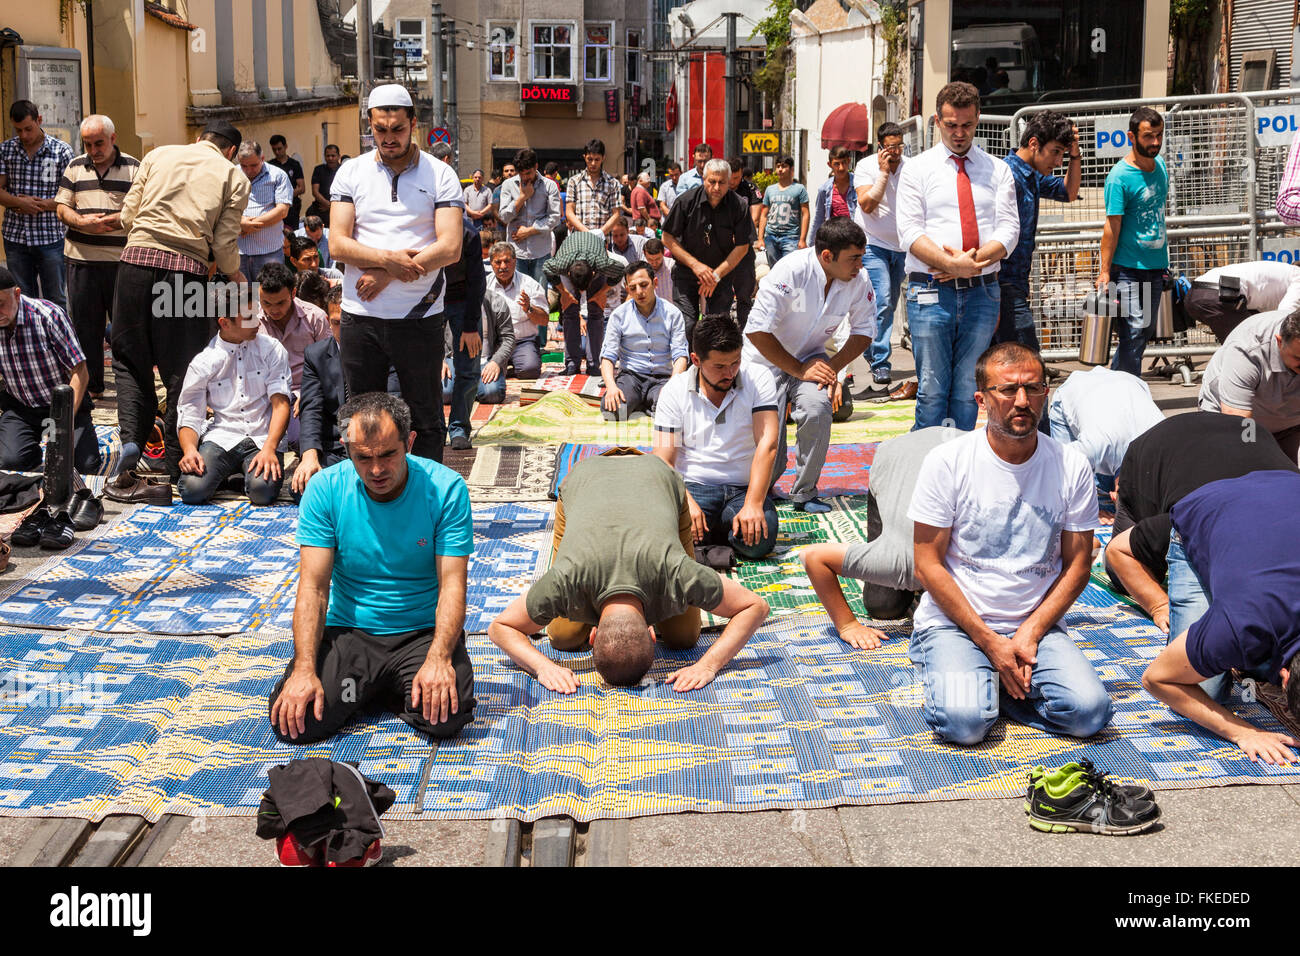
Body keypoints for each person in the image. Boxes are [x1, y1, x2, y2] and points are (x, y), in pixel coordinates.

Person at [908, 342, 1112, 746]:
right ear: (982, 400)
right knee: (964, 725)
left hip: (1033, 625)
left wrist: (1031, 633)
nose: (1022, 401)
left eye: (1033, 388)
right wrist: (988, 641)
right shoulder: (948, 462)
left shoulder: (1071, 465)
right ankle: (979, 678)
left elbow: (1077, 566)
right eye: (1008, 390)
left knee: (1090, 715)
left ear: (1045, 394)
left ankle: (995, 687)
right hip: (958, 623)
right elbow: (926, 565)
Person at [269, 392, 476, 743]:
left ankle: (369, 689)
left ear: (409, 442)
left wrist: (440, 657)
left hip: (420, 632)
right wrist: (304, 668)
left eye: (388, 455)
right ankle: (379, 687)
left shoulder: (445, 490)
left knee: (445, 717)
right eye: (363, 458)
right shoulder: (325, 490)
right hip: (353, 633)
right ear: (346, 447)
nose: (377, 470)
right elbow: (314, 588)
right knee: (298, 721)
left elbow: (453, 585)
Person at [487, 450, 770, 692]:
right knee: (564, 637)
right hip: (587, 477)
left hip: (657, 476)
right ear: (650, 632)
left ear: (595, 633)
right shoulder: (568, 578)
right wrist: (542, 667)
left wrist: (709, 666)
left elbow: (755, 607)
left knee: (683, 637)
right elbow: (500, 628)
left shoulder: (674, 570)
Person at [106, 120, 250, 500]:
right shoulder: (233, 176)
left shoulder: (157, 155)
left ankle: (132, 443)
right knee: (181, 370)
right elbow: (223, 243)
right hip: (185, 276)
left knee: (128, 360)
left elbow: (126, 218)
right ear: (231, 151)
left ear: (198, 139)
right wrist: (235, 277)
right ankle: (173, 465)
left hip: (134, 266)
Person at [328, 84, 465, 463]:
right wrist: (390, 259)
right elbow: (338, 245)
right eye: (381, 130)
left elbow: (450, 247)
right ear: (370, 126)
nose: (389, 138)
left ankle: (425, 505)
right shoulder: (350, 173)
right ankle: (369, 504)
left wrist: (386, 272)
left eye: (397, 130)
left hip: (419, 318)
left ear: (413, 125)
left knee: (427, 419)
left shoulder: (441, 175)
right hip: (362, 317)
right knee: (360, 417)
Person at [1142, 470, 1300, 764]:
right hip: (1211, 506)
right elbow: (1156, 679)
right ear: (1285, 677)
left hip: (1287, 483)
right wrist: (1242, 731)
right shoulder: (1242, 626)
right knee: (1205, 691)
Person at [1103, 411, 1297, 644]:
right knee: (1125, 575)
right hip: (1157, 446)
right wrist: (1159, 605)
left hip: (1247, 432)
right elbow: (1118, 551)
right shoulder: (1193, 519)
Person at [896, 81, 1019, 431]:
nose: (959, 133)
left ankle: (962, 466)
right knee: (932, 389)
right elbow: (909, 231)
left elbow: (1009, 230)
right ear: (937, 121)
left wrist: (970, 264)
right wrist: (953, 265)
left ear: (978, 119)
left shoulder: (998, 170)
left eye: (966, 124)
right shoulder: (917, 170)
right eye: (951, 125)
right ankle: (926, 466)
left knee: (969, 388)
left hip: (982, 291)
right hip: (931, 288)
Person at [744, 218, 877, 514]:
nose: (860, 265)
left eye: (862, 256)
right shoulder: (791, 271)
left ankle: (805, 493)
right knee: (770, 438)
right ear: (826, 256)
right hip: (764, 362)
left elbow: (865, 331)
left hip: (813, 361)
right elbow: (756, 330)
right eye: (853, 258)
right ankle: (762, 487)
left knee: (818, 409)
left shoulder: (859, 279)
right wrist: (797, 369)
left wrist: (831, 368)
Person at [803, 427, 957, 647]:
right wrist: (847, 625)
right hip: (897, 454)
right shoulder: (900, 561)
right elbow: (813, 557)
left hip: (959, 450)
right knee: (883, 606)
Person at [652, 314, 780, 560]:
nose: (730, 373)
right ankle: (719, 533)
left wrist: (753, 503)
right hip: (694, 486)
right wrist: (685, 501)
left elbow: (768, 442)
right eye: (720, 366)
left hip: (744, 488)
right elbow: (662, 460)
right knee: (664, 531)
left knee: (759, 541)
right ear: (696, 360)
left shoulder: (758, 377)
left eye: (735, 363)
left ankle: (714, 537)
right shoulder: (674, 390)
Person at [176, 288, 292, 506]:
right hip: (222, 436)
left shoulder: (271, 349)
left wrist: (270, 448)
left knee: (262, 493)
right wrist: (190, 450)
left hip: (263, 437)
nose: (257, 321)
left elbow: (281, 403)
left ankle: (238, 477)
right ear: (225, 322)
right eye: (248, 317)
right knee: (192, 490)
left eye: (256, 313)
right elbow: (190, 411)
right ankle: (230, 475)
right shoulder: (204, 362)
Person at [54, 114, 139, 399]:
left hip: (120, 262)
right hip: (81, 259)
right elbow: (61, 206)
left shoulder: (133, 169)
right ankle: (92, 388)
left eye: (99, 143)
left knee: (124, 327)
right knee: (84, 327)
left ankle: (129, 386)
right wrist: (79, 222)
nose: (93, 150)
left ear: (113, 139)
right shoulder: (75, 166)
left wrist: (114, 221)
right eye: (88, 144)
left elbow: (143, 210)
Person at [0, 265, 102, 475]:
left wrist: (63, 421)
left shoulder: (48, 316)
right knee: (10, 462)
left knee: (84, 467)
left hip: (63, 407)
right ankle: (30, 449)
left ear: (17, 294)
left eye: (0, 304)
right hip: (22, 408)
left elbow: (80, 372)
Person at [998, 111, 1080, 352]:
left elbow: (1069, 192)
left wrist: (1075, 155)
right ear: (1034, 143)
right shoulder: (1007, 175)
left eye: (1062, 155)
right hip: (1001, 284)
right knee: (1028, 360)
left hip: (1014, 285)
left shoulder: (1031, 175)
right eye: (1056, 152)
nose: (1057, 162)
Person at [1097, 106, 1168, 377]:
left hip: (1155, 266)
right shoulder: (1119, 177)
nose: (1155, 142)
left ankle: (1117, 384)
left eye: (1159, 135)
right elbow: (1111, 227)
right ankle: (1126, 390)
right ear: (1131, 136)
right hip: (1126, 268)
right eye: (1149, 136)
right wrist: (1105, 271)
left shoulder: (1160, 166)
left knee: (1143, 331)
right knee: (1135, 329)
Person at [661, 159, 756, 343]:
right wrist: (696, 266)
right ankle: (688, 366)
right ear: (703, 179)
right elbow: (667, 238)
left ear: (729, 182)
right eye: (712, 181)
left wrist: (716, 276)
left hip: (720, 274)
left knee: (717, 327)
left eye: (722, 182)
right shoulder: (686, 201)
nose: (716, 187)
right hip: (687, 271)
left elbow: (743, 246)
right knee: (687, 325)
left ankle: (713, 368)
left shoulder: (739, 206)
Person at [0, 100, 75, 312]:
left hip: (50, 237)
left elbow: (72, 196)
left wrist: (42, 205)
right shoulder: (5, 150)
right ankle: (28, 342)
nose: (23, 135)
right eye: (18, 130)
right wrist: (19, 202)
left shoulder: (61, 151)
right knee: (21, 299)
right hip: (16, 238)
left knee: (56, 299)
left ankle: (57, 341)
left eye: (28, 129)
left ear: (39, 120)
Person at [1197, 309, 1300, 463]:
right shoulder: (1247, 349)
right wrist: (1253, 460)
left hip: (1288, 423)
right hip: (1231, 419)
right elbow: (1238, 421)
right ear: (1279, 342)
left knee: (1287, 479)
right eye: (1299, 358)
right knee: (1237, 470)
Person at [1047, 365, 1163, 499]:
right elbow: (1053, 470)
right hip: (1074, 390)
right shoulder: (1091, 448)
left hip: (1129, 383)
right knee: (1067, 489)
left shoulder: (1167, 447)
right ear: (1114, 495)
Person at [854, 123, 908, 394]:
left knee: (890, 303)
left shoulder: (911, 167)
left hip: (903, 246)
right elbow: (867, 204)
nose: (895, 151)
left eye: (899, 145)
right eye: (890, 146)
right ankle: (880, 361)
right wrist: (884, 174)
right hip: (873, 243)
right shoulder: (866, 167)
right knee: (884, 299)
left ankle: (871, 346)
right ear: (880, 146)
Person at [599, 261, 688, 420]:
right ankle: (646, 404)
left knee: (674, 410)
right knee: (610, 410)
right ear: (627, 289)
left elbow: (681, 354)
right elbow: (608, 356)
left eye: (643, 285)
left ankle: (648, 403)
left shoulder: (673, 313)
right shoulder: (619, 315)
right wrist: (611, 387)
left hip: (663, 378)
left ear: (655, 283)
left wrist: (672, 386)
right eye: (633, 288)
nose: (639, 292)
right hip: (631, 377)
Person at [543, 230, 626, 375]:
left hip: (594, 260)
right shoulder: (561, 263)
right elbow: (546, 267)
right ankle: (571, 364)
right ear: (568, 274)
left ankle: (594, 364)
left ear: (593, 274)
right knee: (569, 311)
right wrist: (564, 293)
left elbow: (620, 271)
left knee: (596, 311)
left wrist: (601, 293)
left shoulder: (602, 263)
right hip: (570, 258)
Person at [292, 286, 346, 498]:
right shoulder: (316, 355)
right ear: (327, 319)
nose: (344, 329)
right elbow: (311, 407)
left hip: (370, 448)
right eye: (336, 323)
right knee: (302, 487)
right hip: (334, 447)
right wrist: (309, 456)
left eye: (349, 321)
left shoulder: (380, 351)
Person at [439, 214, 487, 449]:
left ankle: (459, 427)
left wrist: (470, 326)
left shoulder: (469, 234)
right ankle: (435, 427)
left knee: (468, 367)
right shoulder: (422, 227)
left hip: (462, 299)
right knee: (425, 368)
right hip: (426, 301)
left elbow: (477, 281)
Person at [442, 288, 513, 442]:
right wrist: (440, 360)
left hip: (486, 360)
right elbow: (435, 332)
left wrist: (496, 362)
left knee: (492, 393)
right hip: (453, 358)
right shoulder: (448, 300)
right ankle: (468, 392)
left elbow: (508, 338)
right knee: (444, 392)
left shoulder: (496, 301)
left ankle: (469, 392)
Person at [254, 262, 330, 403]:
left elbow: (327, 366)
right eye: (267, 303)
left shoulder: (315, 318)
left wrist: (310, 394)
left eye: (280, 303)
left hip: (307, 393)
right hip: (264, 395)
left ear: (293, 293)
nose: (274, 310)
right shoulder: (250, 320)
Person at [1184, 261, 1300, 344]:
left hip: (1196, 294)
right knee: (1248, 346)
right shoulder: (1297, 277)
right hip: (1218, 296)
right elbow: (1285, 315)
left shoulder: (1284, 274)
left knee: (1247, 342)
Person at [498, 147, 561, 285]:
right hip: (516, 253)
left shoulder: (549, 186)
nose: (525, 177)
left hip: (541, 252)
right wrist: (522, 197)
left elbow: (555, 217)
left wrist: (529, 231)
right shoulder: (508, 185)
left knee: (539, 299)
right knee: (517, 297)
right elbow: (503, 217)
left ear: (536, 166)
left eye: (528, 173)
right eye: (521, 174)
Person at [486, 241, 548, 379]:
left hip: (522, 341)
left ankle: (510, 366)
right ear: (491, 263)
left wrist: (529, 308)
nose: (503, 266)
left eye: (507, 261)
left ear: (515, 261)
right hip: (495, 343)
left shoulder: (529, 284)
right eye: (498, 262)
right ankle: (503, 365)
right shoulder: (484, 286)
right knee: (482, 369)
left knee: (529, 369)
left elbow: (544, 320)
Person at [236, 141, 293, 280]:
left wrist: (249, 225)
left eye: (254, 165)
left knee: (270, 296)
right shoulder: (232, 174)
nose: (249, 170)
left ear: (262, 158)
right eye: (244, 166)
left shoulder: (278, 175)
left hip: (269, 252)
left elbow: (282, 211)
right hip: (238, 252)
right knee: (241, 299)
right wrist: (239, 223)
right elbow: (221, 207)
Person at [726, 157, 763, 329]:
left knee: (744, 292)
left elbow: (755, 215)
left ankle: (744, 330)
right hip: (723, 248)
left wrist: (740, 233)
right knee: (722, 292)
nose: (733, 182)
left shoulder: (750, 188)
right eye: (730, 178)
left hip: (744, 246)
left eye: (737, 178)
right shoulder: (719, 188)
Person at [758, 154, 810, 267]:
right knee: (774, 269)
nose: (780, 169)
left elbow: (805, 214)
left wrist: (802, 239)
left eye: (784, 166)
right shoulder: (769, 190)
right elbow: (764, 214)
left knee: (789, 269)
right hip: (771, 236)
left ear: (791, 169)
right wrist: (760, 238)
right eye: (778, 166)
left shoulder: (799, 189)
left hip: (791, 237)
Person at [565, 139, 621, 235]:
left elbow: (616, 214)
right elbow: (569, 212)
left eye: (597, 159)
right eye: (590, 159)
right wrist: (586, 232)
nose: (593, 163)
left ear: (603, 158)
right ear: (584, 157)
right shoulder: (574, 181)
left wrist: (600, 233)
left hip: (603, 239)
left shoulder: (613, 183)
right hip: (579, 237)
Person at [808, 146, 857, 240]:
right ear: (829, 164)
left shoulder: (859, 184)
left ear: (849, 161)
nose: (841, 168)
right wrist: (812, 244)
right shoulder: (824, 190)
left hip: (855, 237)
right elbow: (819, 218)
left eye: (844, 163)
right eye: (837, 164)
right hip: (833, 239)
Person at [268, 134, 306, 231]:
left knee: (292, 235)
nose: (277, 152)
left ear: (285, 147)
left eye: (279, 149)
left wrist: (284, 197)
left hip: (292, 207)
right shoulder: (270, 166)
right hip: (274, 207)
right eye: (274, 149)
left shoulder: (294, 164)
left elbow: (301, 188)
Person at [308, 144, 341, 226]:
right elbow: (315, 191)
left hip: (339, 208)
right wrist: (327, 204)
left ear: (338, 156)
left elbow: (348, 192)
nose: (330, 158)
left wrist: (331, 207)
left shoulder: (344, 170)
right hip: (320, 208)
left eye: (333, 156)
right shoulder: (318, 170)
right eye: (328, 156)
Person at [644, 237, 672, 301]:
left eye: (658, 259)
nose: (654, 263)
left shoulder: (672, 266)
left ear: (664, 252)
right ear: (644, 254)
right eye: (650, 259)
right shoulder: (641, 269)